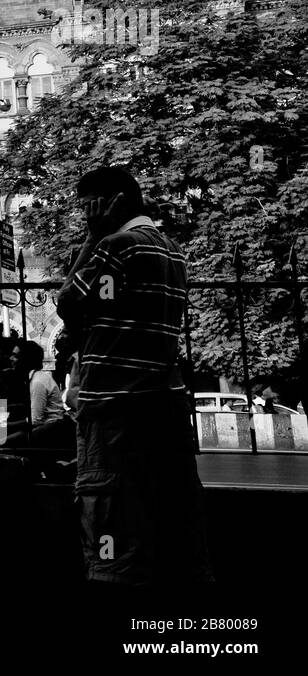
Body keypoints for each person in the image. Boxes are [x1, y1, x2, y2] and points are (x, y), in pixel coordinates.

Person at [56, 165, 212, 587]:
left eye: (89, 207)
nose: (86, 216)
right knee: (173, 523)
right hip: (165, 405)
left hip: (115, 411)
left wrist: (92, 242)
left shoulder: (117, 247)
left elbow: (71, 303)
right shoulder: (171, 250)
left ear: (114, 203)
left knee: (112, 525)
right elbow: (110, 304)